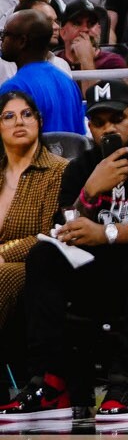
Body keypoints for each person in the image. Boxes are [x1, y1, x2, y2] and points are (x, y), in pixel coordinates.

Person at [0, 79, 128, 433]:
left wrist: (108, 233)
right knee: (45, 256)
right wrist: (91, 191)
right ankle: (50, 384)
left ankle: (125, 381)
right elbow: (66, 227)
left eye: (116, 119)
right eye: (99, 121)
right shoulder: (84, 166)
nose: (108, 128)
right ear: (88, 126)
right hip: (100, 273)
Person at [0, 89, 63, 343]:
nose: (19, 121)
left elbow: (50, 234)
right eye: (8, 116)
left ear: (39, 121)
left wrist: (3, 255)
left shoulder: (58, 170)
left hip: (33, 264)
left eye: (26, 114)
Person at [1, 8, 84, 135]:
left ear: (22, 41)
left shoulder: (14, 88)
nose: (2, 40)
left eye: (5, 34)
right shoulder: (68, 82)